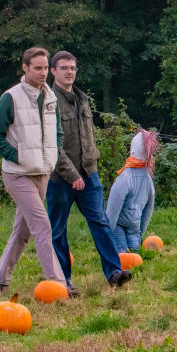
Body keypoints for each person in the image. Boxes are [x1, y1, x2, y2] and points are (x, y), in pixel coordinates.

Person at [46, 51, 132, 294]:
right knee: (58, 229)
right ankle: (64, 281)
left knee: (101, 222)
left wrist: (90, 164)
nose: (69, 72)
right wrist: (71, 175)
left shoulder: (81, 99)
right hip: (60, 178)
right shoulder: (49, 102)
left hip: (88, 173)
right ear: (53, 71)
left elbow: (87, 136)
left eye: (72, 67)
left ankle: (114, 273)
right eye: (64, 68)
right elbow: (52, 145)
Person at [0, 47, 66, 293]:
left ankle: (0, 281)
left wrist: (52, 155)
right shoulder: (10, 98)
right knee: (42, 224)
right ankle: (57, 284)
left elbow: (58, 133)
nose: (43, 73)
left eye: (45, 68)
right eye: (38, 68)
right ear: (25, 68)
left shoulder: (51, 97)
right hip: (17, 174)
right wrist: (18, 156)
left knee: (22, 230)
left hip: (42, 173)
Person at [106, 130, 157, 254]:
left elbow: (113, 208)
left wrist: (106, 233)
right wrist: (140, 231)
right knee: (130, 255)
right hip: (130, 225)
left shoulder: (125, 177)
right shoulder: (147, 177)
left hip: (125, 226)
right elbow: (149, 208)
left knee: (127, 256)